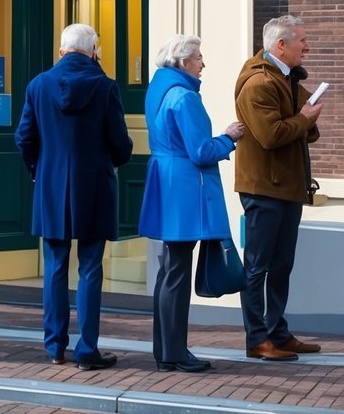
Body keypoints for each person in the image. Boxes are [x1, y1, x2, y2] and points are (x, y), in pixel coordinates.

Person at [15, 23, 132, 370]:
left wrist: (39, 169)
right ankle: (87, 349)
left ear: (62, 50)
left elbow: (24, 137)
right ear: (93, 50)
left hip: (51, 186)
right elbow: (121, 143)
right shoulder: (105, 85)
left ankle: (54, 346)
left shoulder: (38, 85)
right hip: (94, 184)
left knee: (54, 267)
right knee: (91, 268)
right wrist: (111, 160)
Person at [140, 34, 244, 373]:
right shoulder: (185, 98)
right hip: (184, 190)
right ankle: (174, 352)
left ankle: (167, 350)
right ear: (183, 61)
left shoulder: (158, 90)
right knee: (177, 274)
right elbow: (201, 152)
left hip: (166, 185)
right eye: (198, 57)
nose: (203, 64)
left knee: (169, 271)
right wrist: (229, 137)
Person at [234, 15, 326, 361]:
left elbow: (306, 128)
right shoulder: (259, 84)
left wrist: (305, 119)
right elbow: (272, 136)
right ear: (280, 45)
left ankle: (278, 332)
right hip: (264, 188)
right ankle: (257, 339)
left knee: (282, 264)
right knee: (258, 266)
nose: (308, 46)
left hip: (288, 187)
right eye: (301, 40)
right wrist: (304, 119)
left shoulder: (287, 79)